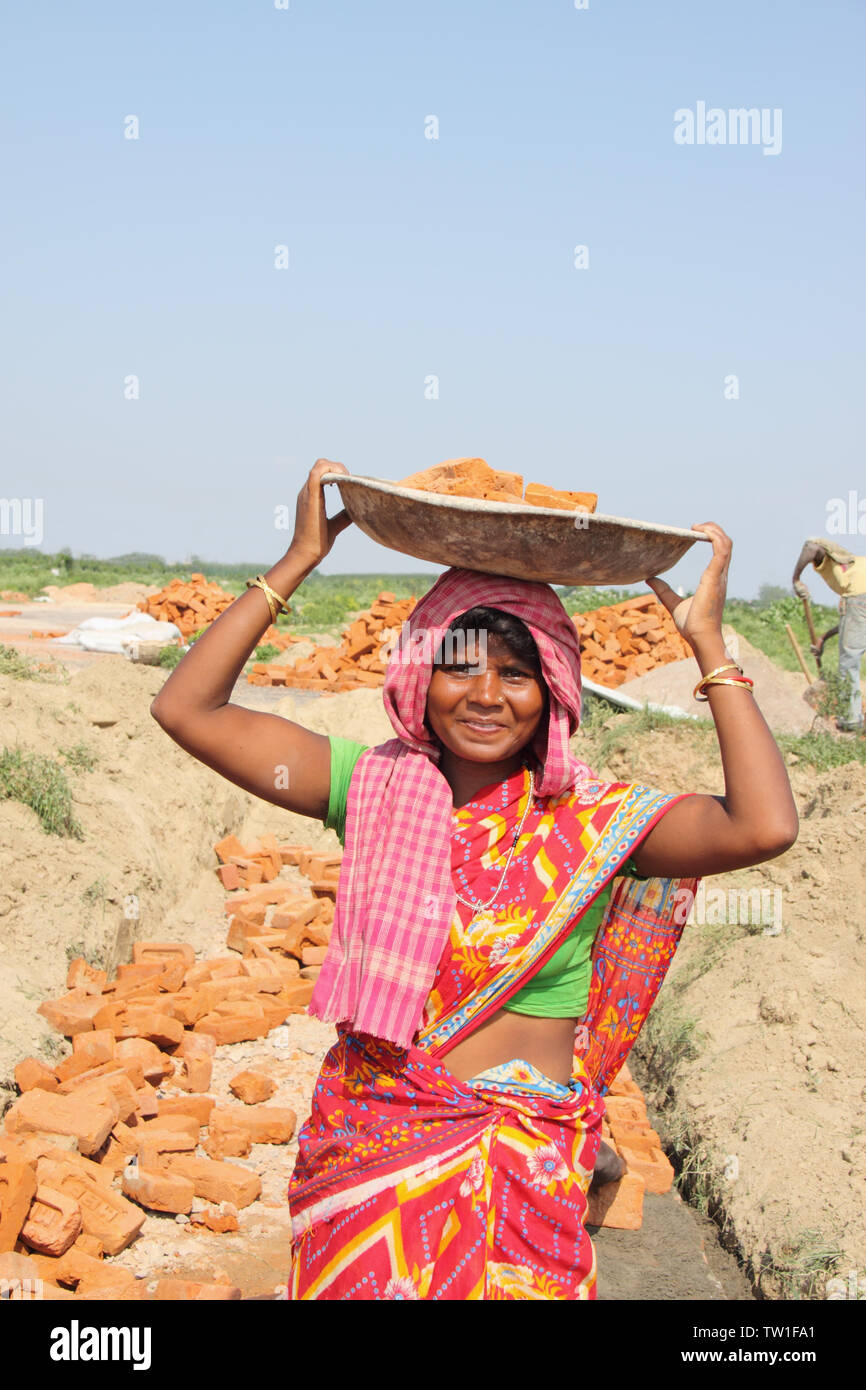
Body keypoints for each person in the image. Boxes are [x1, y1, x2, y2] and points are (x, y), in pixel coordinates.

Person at [151, 459, 799, 1301]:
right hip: (378, 1141)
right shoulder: (369, 784)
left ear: (553, 690)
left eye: (517, 674)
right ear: (421, 677)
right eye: (460, 667)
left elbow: (764, 826)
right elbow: (186, 709)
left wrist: (710, 645)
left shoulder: (597, 821)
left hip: (526, 1161)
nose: (487, 695)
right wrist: (298, 560)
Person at [792, 537, 866, 732]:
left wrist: (796, 578)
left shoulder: (831, 560)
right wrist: (824, 638)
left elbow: (810, 545)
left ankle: (850, 719)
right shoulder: (854, 565)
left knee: (849, 661)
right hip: (860, 602)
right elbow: (854, 622)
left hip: (859, 598)